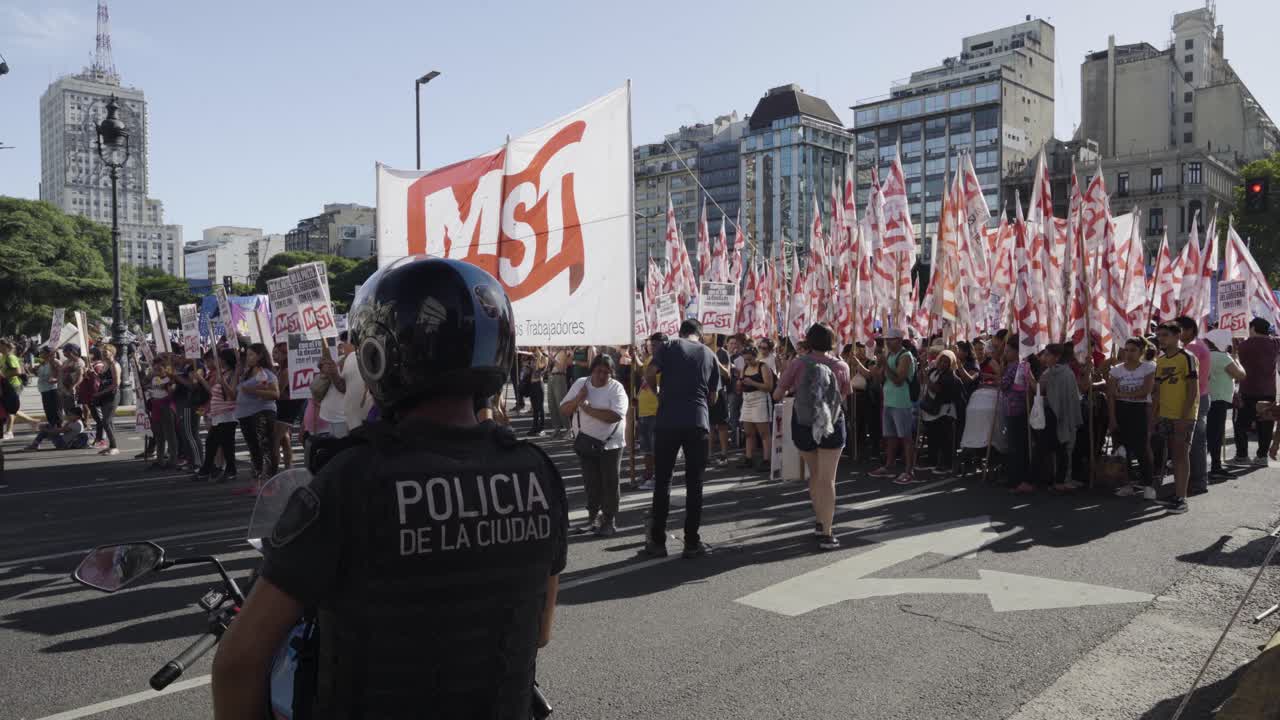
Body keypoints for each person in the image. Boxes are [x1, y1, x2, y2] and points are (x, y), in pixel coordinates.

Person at [211, 258, 567, 720]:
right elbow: (540, 630)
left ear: (379, 355)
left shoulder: (351, 480)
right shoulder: (538, 471)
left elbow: (238, 664)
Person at [643, 320, 720, 559]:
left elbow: (649, 372)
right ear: (700, 334)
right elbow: (713, 397)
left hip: (667, 420)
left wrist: (658, 394)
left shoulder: (669, 345)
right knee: (695, 483)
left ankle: (657, 541)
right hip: (697, 421)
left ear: (681, 332)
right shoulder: (710, 354)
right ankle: (691, 541)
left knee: (663, 480)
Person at [773, 323, 851, 550]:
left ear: (808, 341)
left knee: (814, 474)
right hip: (832, 424)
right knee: (828, 478)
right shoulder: (841, 365)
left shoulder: (797, 363)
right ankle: (827, 532)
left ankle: (819, 521)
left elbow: (778, 393)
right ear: (832, 341)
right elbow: (845, 395)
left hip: (803, 424)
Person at [560, 354, 628, 536]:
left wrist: (588, 409)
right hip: (585, 442)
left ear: (612, 373)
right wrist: (578, 399)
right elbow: (564, 409)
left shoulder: (616, 388)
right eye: (598, 371)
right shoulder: (582, 383)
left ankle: (609, 520)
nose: (602, 375)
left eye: (606, 372)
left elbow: (614, 416)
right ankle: (592, 518)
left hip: (610, 444)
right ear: (592, 370)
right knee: (591, 482)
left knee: (610, 482)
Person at [1153, 322, 1199, 514]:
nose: (1161, 339)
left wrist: (1184, 416)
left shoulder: (1187, 357)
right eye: (1159, 335)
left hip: (1183, 416)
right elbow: (1157, 391)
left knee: (1181, 456)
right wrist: (1155, 415)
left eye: (1165, 335)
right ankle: (1176, 494)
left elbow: (1192, 389)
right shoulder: (1161, 360)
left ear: (1177, 335)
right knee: (1173, 456)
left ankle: (1182, 499)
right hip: (1165, 414)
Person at [1109, 338, 1158, 499]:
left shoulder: (1148, 367)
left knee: (1143, 449)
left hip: (1140, 410)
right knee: (1123, 450)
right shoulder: (1116, 370)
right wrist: (1112, 418)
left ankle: (1148, 485)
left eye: (1133, 350)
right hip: (1121, 410)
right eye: (1127, 350)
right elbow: (1111, 395)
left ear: (1141, 352)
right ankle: (1126, 484)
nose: (1129, 353)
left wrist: (1122, 394)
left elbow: (1146, 390)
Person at [869, 328, 917, 483]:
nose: (888, 343)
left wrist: (885, 365)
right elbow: (876, 375)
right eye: (886, 340)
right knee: (890, 436)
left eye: (891, 339)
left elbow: (898, 380)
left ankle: (909, 471)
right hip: (889, 401)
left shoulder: (906, 356)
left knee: (906, 437)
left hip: (902, 402)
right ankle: (889, 466)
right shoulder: (889, 355)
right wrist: (878, 361)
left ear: (899, 340)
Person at [1232, 318, 1280, 467]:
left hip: (1248, 389)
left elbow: (1236, 361)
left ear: (1252, 328)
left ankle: (1242, 455)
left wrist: (1235, 345)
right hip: (1268, 390)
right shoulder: (1275, 343)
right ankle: (1261, 456)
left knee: (1240, 424)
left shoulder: (1244, 345)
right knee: (1266, 424)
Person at [233, 343, 279, 491]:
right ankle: (256, 483)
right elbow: (233, 392)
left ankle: (270, 483)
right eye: (247, 354)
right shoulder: (247, 373)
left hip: (261, 413)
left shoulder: (265, 373)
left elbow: (274, 394)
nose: (248, 357)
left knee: (265, 448)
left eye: (251, 354)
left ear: (260, 356)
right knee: (254, 449)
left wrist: (251, 390)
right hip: (245, 415)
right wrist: (237, 372)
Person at [1038, 344, 1082, 494]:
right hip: (1055, 415)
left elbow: (1038, 389)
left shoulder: (1062, 373)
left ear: (1056, 357)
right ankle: (1060, 479)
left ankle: (1063, 479)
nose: (1044, 357)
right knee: (1060, 448)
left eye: (1047, 354)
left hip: (1061, 415)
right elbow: (1040, 390)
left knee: (1064, 448)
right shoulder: (1052, 372)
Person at [1175, 316, 1212, 495]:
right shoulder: (1196, 345)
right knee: (1194, 442)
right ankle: (1194, 481)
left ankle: (1197, 482)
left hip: (1195, 398)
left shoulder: (1193, 348)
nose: (1176, 333)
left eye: (1178, 329)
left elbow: (1187, 378)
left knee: (1194, 442)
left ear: (1189, 330)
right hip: (1200, 396)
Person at [1204, 329, 1244, 481]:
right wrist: (1237, 360)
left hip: (1207, 398)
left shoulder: (1205, 355)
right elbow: (1241, 375)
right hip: (1219, 400)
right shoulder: (1223, 357)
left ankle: (1210, 466)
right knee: (1215, 435)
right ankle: (1215, 467)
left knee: (1210, 434)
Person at [197, 347, 239, 482]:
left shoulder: (232, 373)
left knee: (226, 445)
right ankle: (207, 469)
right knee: (212, 443)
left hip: (227, 415)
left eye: (219, 358)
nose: (217, 361)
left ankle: (229, 470)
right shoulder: (222, 373)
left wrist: (223, 383)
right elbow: (213, 391)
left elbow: (231, 395)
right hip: (217, 415)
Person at [919, 349, 963, 479]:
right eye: (941, 360)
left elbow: (936, 388)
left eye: (946, 362)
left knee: (945, 439)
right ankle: (932, 461)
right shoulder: (934, 371)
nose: (943, 363)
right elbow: (923, 381)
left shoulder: (950, 376)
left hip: (945, 411)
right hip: (932, 410)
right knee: (932, 437)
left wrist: (926, 378)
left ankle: (947, 464)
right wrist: (922, 367)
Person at [1002, 340, 1035, 494]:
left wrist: (998, 376)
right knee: (1017, 446)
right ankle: (1016, 479)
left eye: (1008, 351)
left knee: (1017, 446)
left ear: (1016, 352)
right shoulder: (1015, 366)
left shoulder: (1018, 366)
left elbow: (1004, 384)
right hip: (1015, 409)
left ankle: (1018, 480)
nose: (1005, 353)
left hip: (1017, 410)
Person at [632, 335, 663, 490]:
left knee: (654, 447)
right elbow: (642, 373)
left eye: (655, 345)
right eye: (650, 344)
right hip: (644, 408)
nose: (651, 347)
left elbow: (650, 377)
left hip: (654, 409)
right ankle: (648, 474)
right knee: (646, 447)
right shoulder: (650, 359)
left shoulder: (663, 361)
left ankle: (657, 477)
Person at [738, 345, 775, 472]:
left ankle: (767, 460)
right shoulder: (744, 367)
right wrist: (740, 384)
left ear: (755, 357)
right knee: (748, 433)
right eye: (745, 360)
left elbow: (769, 387)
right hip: (747, 399)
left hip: (760, 399)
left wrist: (752, 383)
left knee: (764, 433)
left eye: (749, 359)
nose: (748, 362)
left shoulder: (763, 367)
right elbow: (741, 386)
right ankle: (749, 458)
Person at [271, 343, 303, 471]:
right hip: (282, 407)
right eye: (273, 352)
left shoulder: (286, 371)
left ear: (285, 355)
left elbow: (278, 392)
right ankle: (289, 467)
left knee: (275, 438)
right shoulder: (279, 369)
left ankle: (273, 468)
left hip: (287, 407)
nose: (273, 355)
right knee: (284, 438)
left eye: (277, 353)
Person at [314, 333, 352, 439]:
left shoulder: (355, 362)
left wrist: (334, 373)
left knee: (342, 449)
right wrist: (322, 367)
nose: (343, 346)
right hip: (330, 416)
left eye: (345, 343)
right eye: (341, 343)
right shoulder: (339, 360)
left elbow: (343, 388)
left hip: (342, 418)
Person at [147, 356, 179, 470]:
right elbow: (151, 389)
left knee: (170, 435)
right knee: (159, 435)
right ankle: (159, 459)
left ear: (165, 368)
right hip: (156, 407)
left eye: (159, 368)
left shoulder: (169, 379)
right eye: (155, 369)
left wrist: (168, 386)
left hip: (166, 407)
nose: (157, 371)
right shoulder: (154, 379)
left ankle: (173, 460)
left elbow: (172, 393)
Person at [91, 344, 121, 456]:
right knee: (108, 422)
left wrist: (100, 393)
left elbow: (116, 384)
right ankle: (111, 445)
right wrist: (94, 374)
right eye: (103, 351)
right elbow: (103, 379)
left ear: (112, 352)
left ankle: (114, 447)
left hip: (112, 395)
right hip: (104, 395)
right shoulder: (105, 365)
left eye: (106, 351)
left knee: (106, 421)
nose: (103, 353)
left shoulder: (114, 365)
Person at [708, 337, 733, 466]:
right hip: (705, 392)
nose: (705, 336)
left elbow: (727, 374)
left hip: (719, 391)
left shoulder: (723, 353)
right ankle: (708, 454)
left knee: (722, 424)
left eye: (708, 333)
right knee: (708, 425)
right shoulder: (702, 349)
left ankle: (724, 454)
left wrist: (716, 361)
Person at [24, 407, 89, 450]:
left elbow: (60, 431)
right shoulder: (75, 422)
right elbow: (62, 429)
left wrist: (45, 430)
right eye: (68, 415)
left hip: (62, 443)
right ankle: (35, 444)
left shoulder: (76, 424)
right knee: (47, 427)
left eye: (70, 415)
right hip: (63, 441)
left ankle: (35, 445)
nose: (68, 416)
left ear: (77, 416)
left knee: (45, 430)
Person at [546, 348, 572, 438]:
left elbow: (561, 368)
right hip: (551, 377)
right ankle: (556, 428)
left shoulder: (564, 351)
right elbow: (549, 367)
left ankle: (569, 429)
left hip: (559, 377)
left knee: (560, 403)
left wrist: (553, 359)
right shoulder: (552, 350)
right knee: (551, 404)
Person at [35, 347, 62, 430]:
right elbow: (40, 375)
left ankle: (58, 427)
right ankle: (52, 425)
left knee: (56, 408)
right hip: (44, 389)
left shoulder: (55, 362)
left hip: (53, 388)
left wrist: (56, 379)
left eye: (42, 352)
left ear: (48, 353)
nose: (40, 354)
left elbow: (62, 374)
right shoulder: (42, 363)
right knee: (48, 409)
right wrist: (34, 370)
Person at [0, 339, 23, 439]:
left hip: (13, 385)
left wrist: (4, 376)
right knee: (6, 408)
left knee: (10, 410)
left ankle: (9, 431)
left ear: (5, 345)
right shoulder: (3, 357)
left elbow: (18, 371)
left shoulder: (10, 357)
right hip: (6, 386)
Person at [526, 348, 548, 437]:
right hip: (532, 384)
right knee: (534, 408)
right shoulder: (532, 357)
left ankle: (541, 428)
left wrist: (538, 357)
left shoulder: (544, 358)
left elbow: (539, 368)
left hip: (539, 384)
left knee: (540, 407)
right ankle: (534, 427)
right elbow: (529, 368)